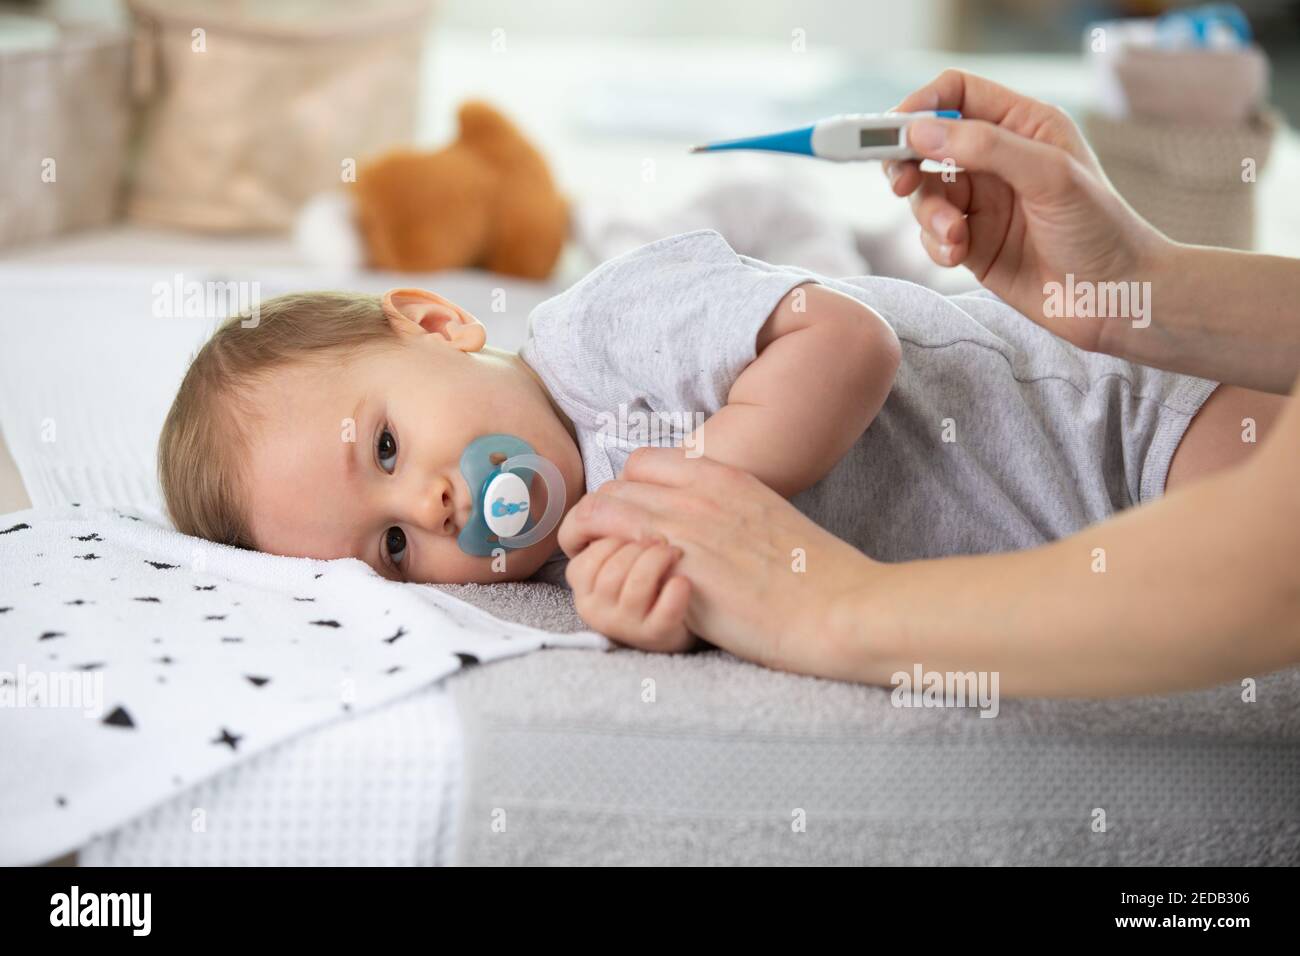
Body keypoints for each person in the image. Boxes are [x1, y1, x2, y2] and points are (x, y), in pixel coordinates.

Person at [557, 70, 1300, 697]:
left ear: (438, 324)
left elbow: (1275, 567)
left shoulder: (587, 326)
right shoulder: (558, 542)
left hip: (1130, 429)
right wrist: (1141, 285)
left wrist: (828, 605)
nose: (437, 511)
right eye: (431, 566)